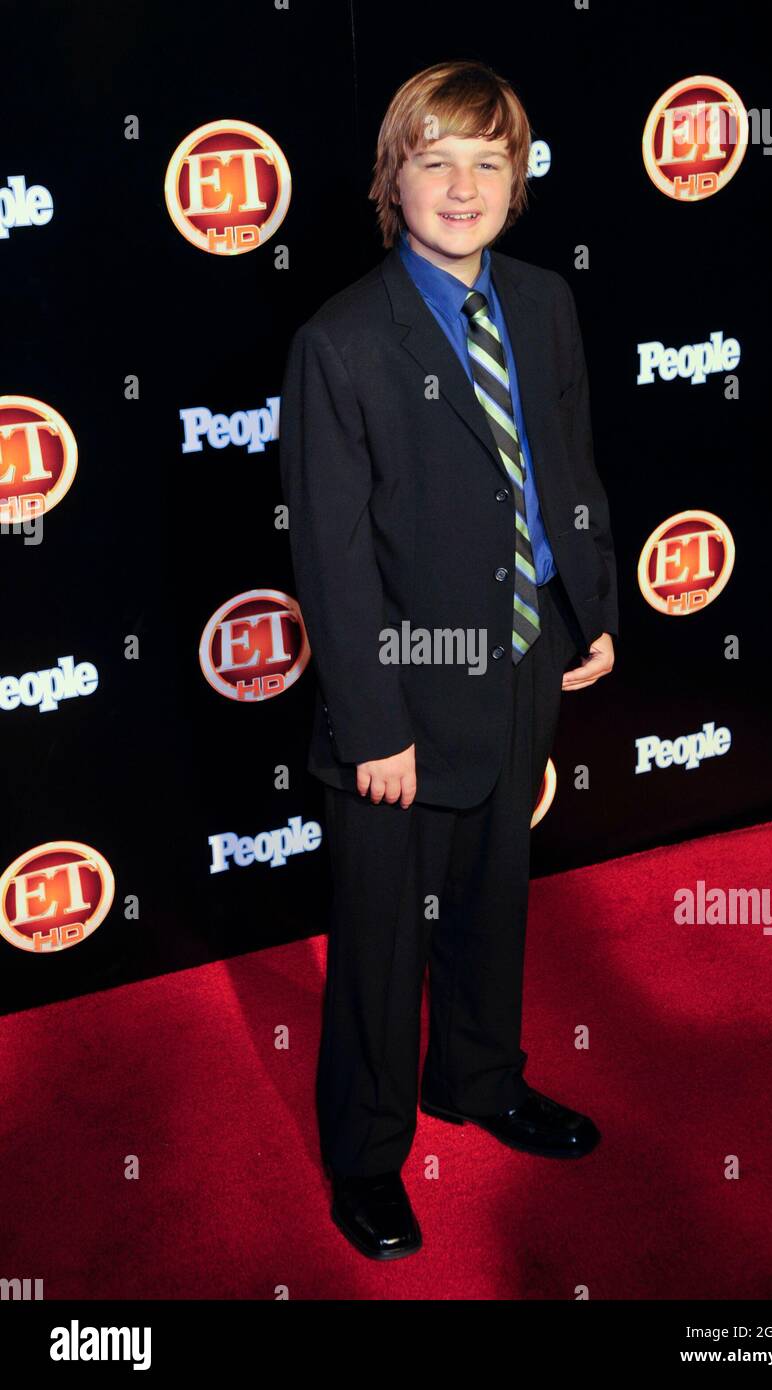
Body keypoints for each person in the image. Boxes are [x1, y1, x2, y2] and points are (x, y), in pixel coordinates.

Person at [279, 59, 618, 1261]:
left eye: (488, 161)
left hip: (521, 659)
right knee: (380, 940)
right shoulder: (341, 344)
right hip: (404, 695)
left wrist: (590, 608)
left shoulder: (538, 303)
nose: (462, 187)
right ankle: (368, 1155)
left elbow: (565, 471)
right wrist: (372, 723)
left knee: (491, 900)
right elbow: (330, 556)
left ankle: (478, 1077)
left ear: (519, 179)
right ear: (393, 179)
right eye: (436, 162)